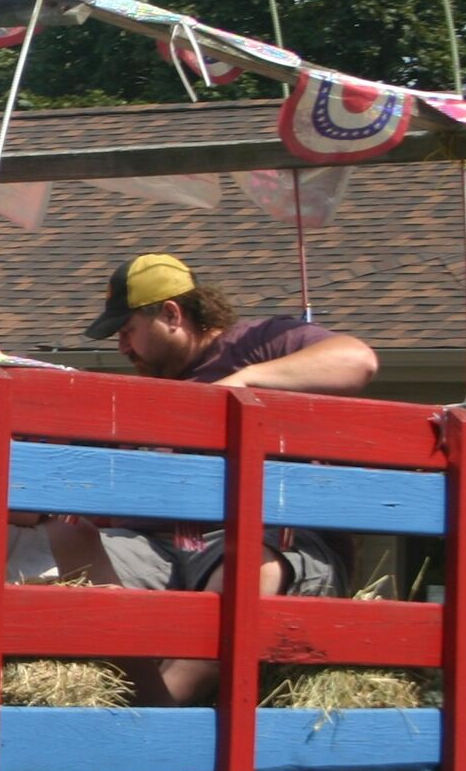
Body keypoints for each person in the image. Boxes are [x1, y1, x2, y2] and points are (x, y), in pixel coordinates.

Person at [49, 252, 380, 704]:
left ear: (171, 314)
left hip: (273, 540)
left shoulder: (257, 343)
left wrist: (243, 384)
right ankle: (134, 694)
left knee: (250, 563)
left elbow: (357, 360)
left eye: (127, 331)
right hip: (164, 547)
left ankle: (160, 714)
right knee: (63, 543)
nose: (122, 347)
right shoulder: (149, 387)